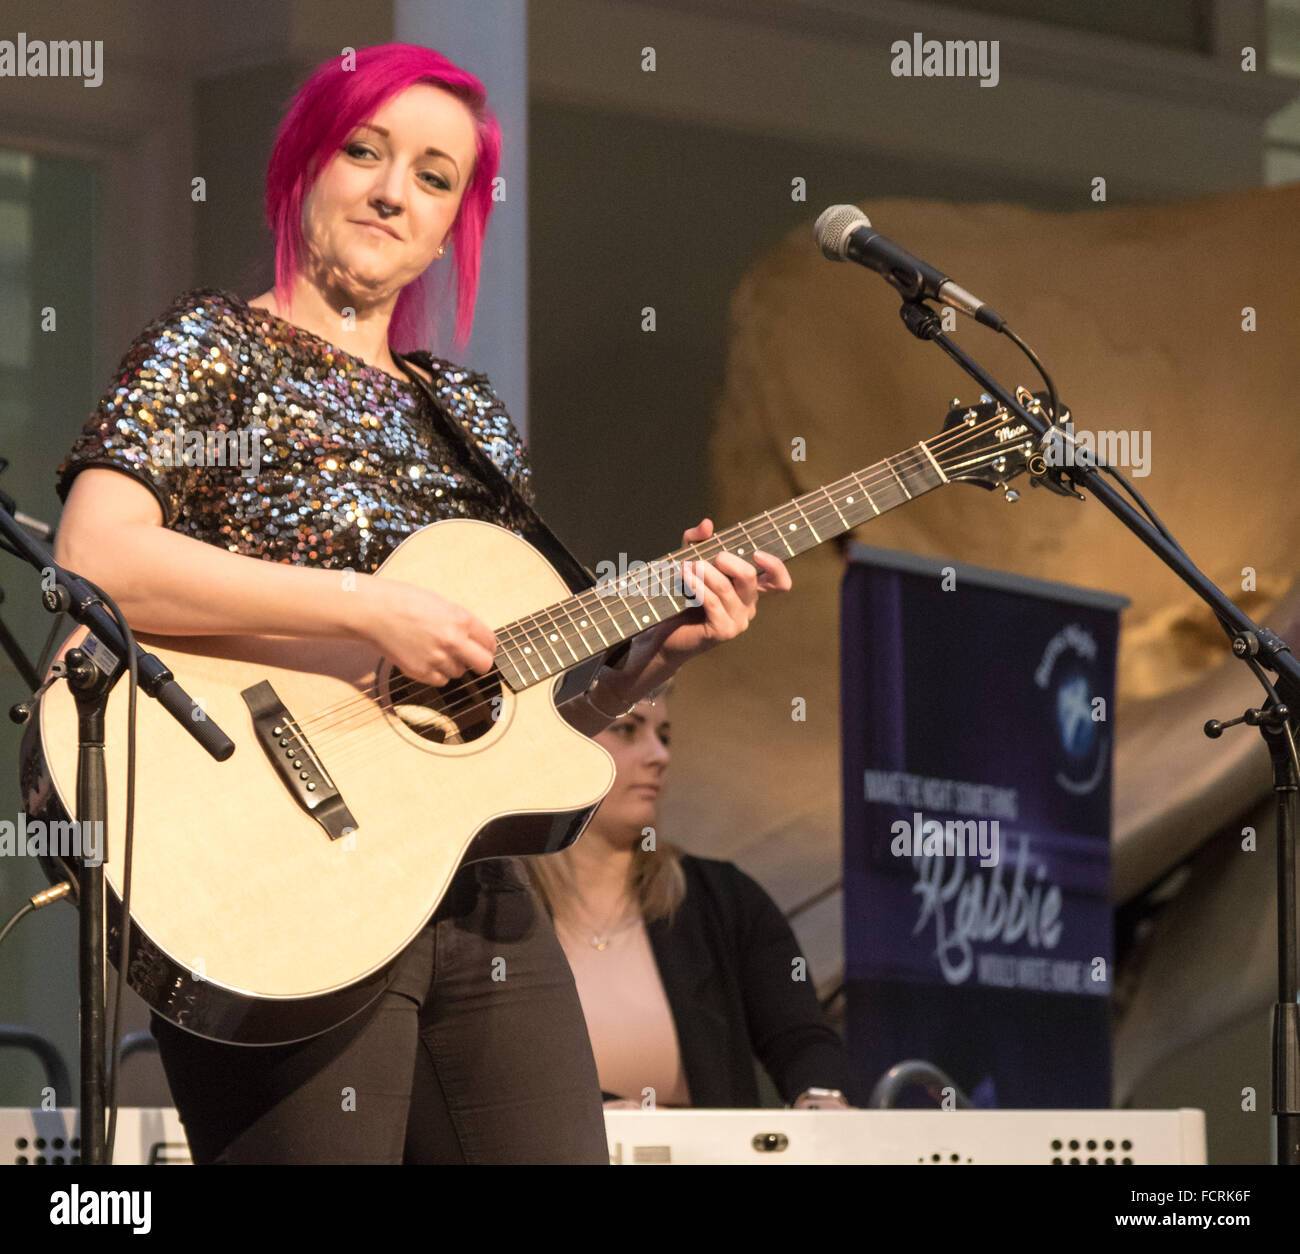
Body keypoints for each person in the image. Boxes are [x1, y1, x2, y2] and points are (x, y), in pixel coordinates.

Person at [50, 42, 791, 1164]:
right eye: (366, 152)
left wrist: (653, 659)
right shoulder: (214, 348)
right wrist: (367, 609)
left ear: (454, 226)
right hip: (286, 881)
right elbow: (98, 560)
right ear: (306, 163)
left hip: (478, 907)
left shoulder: (469, 421)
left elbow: (502, 727)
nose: (395, 191)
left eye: (436, 177)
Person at [526, 678, 857, 1111]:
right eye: (629, 730)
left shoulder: (723, 899)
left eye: (664, 737)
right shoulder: (496, 907)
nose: (659, 755)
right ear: (558, 742)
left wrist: (819, 1094)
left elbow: (798, 1033)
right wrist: (593, 1112)